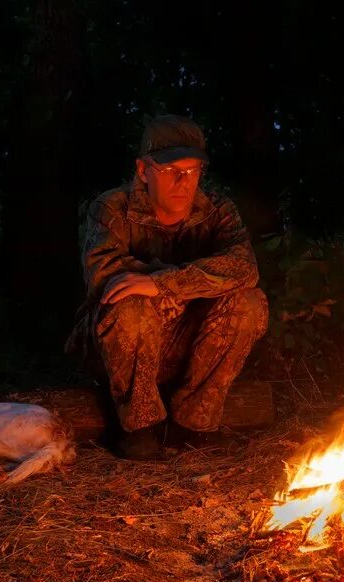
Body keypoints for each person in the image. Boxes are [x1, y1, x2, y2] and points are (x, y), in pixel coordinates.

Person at [67, 114, 268, 460]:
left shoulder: (218, 211)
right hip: (117, 348)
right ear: (144, 171)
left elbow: (244, 268)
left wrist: (163, 284)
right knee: (128, 302)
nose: (182, 182)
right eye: (170, 170)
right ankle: (139, 428)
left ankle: (193, 424)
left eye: (192, 172)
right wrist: (181, 287)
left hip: (185, 343)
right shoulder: (111, 208)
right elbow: (105, 278)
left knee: (250, 303)